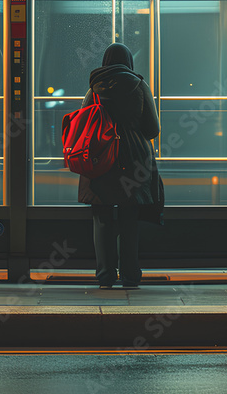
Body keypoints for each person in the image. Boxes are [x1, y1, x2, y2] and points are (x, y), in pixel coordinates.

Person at [78, 43, 161, 290]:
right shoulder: (139, 85)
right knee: (129, 219)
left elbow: (83, 124)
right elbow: (153, 129)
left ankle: (105, 276)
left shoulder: (93, 88)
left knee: (101, 218)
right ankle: (130, 275)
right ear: (129, 62)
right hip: (133, 160)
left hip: (100, 160)